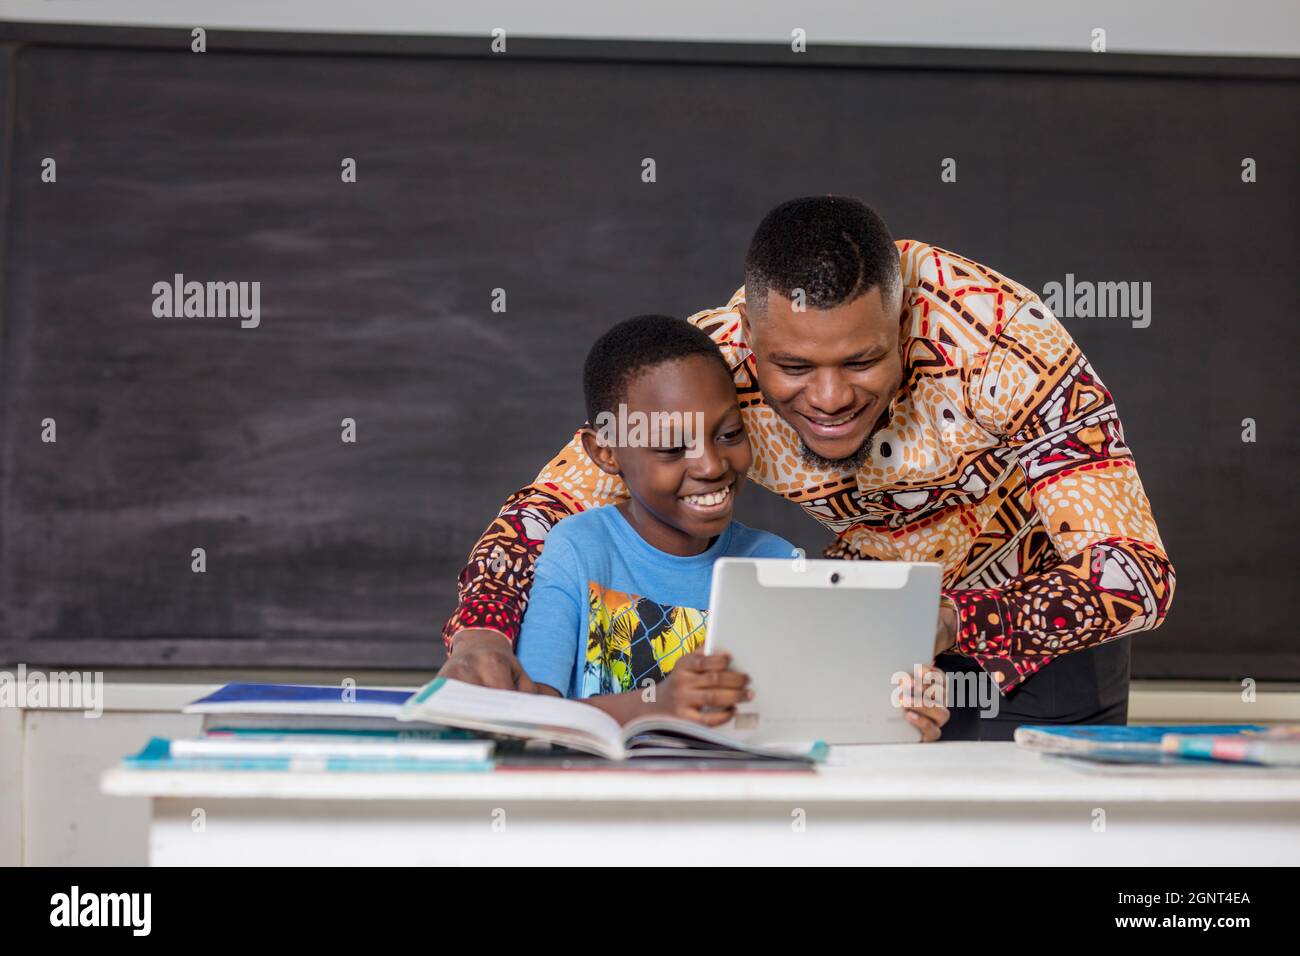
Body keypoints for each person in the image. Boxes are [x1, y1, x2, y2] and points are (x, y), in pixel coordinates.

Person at [441, 196, 1175, 741]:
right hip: (861, 656)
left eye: (862, 361)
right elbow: (547, 510)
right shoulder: (711, 363)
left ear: (904, 324)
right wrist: (482, 633)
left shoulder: (1012, 349)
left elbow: (1136, 573)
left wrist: (945, 620)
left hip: (1033, 651)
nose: (829, 398)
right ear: (751, 343)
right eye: (792, 367)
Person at [513, 314, 949, 739]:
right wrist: (657, 707)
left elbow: (814, 720)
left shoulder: (778, 565)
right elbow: (529, 719)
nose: (711, 464)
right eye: (671, 446)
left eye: (728, 434)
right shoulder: (578, 549)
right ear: (606, 453)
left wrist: (900, 720)